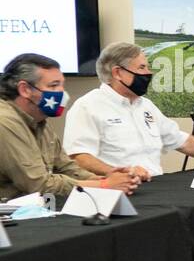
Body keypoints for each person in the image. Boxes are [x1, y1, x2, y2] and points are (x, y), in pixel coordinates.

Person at [63, 43, 194, 180]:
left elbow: (181, 140)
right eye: (142, 68)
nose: (149, 73)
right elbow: (78, 157)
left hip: (155, 187)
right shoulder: (88, 106)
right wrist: (120, 172)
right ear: (118, 73)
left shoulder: (146, 106)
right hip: (117, 192)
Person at [0, 53, 139, 202]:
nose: (61, 92)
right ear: (25, 89)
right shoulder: (5, 121)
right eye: (53, 85)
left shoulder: (39, 120)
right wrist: (104, 185)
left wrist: (112, 179)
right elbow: (39, 184)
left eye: (61, 85)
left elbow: (66, 167)